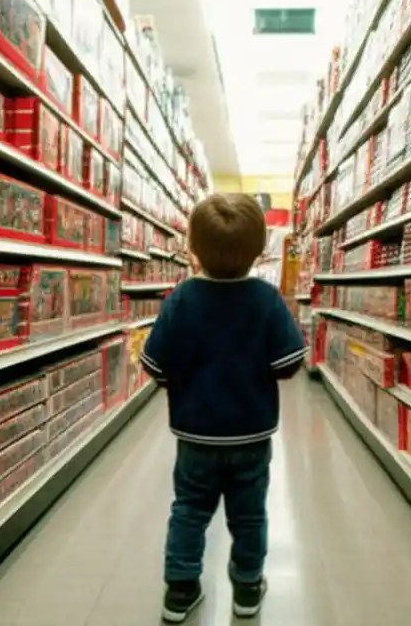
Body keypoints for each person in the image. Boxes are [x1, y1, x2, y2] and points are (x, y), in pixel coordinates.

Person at [141, 193, 306, 623]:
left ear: (193, 247)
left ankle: (180, 591)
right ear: (260, 249)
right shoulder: (267, 299)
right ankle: (247, 588)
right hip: (251, 434)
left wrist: (184, 379)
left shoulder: (181, 299)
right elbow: (289, 363)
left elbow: (153, 364)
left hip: (195, 435)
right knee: (249, 515)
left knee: (189, 510)